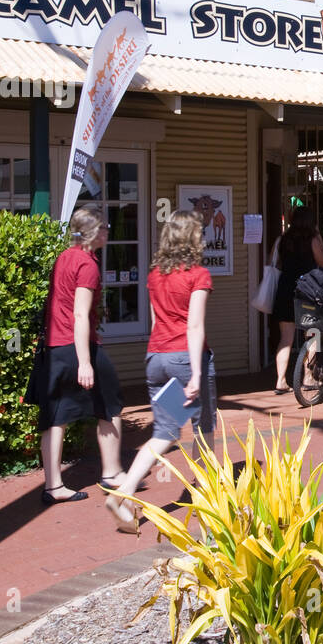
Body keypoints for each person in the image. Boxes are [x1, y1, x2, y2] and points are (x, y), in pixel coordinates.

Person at [105, 210, 216, 533]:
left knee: (164, 433)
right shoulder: (198, 275)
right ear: (192, 238)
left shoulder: (155, 274)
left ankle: (124, 493)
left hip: (157, 357)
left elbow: (156, 322)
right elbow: (194, 326)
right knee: (203, 430)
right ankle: (208, 501)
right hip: (186, 360)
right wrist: (196, 373)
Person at [39, 205, 124, 504]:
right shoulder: (87, 264)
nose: (108, 233)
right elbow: (80, 313)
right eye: (104, 228)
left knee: (55, 417)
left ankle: (53, 485)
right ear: (92, 232)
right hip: (77, 344)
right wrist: (85, 361)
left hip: (55, 345)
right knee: (110, 404)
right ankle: (112, 473)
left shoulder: (65, 256)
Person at [272, 206, 323, 393]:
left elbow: (275, 262)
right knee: (312, 334)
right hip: (308, 290)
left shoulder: (284, 239)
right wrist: (319, 237)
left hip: (286, 289)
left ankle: (280, 381)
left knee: (285, 338)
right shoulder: (311, 239)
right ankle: (308, 377)